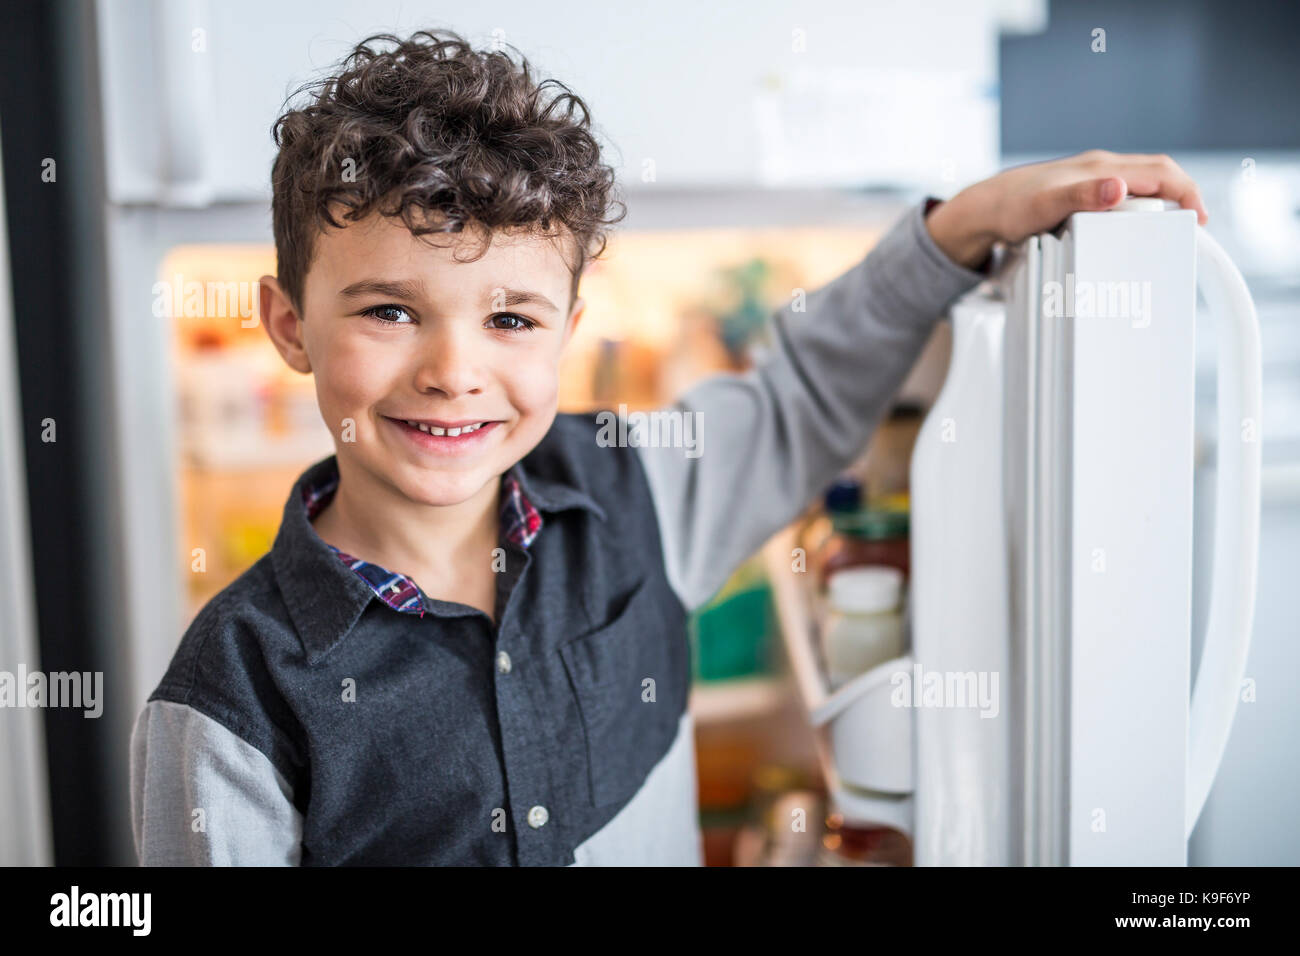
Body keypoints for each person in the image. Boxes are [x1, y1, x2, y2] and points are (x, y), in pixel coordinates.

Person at [128, 27, 1208, 865]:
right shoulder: (229, 696)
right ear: (286, 323)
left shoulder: (640, 485)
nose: (453, 372)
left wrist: (962, 224)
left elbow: (802, 392)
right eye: (389, 312)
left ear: (566, 330)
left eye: (509, 318)